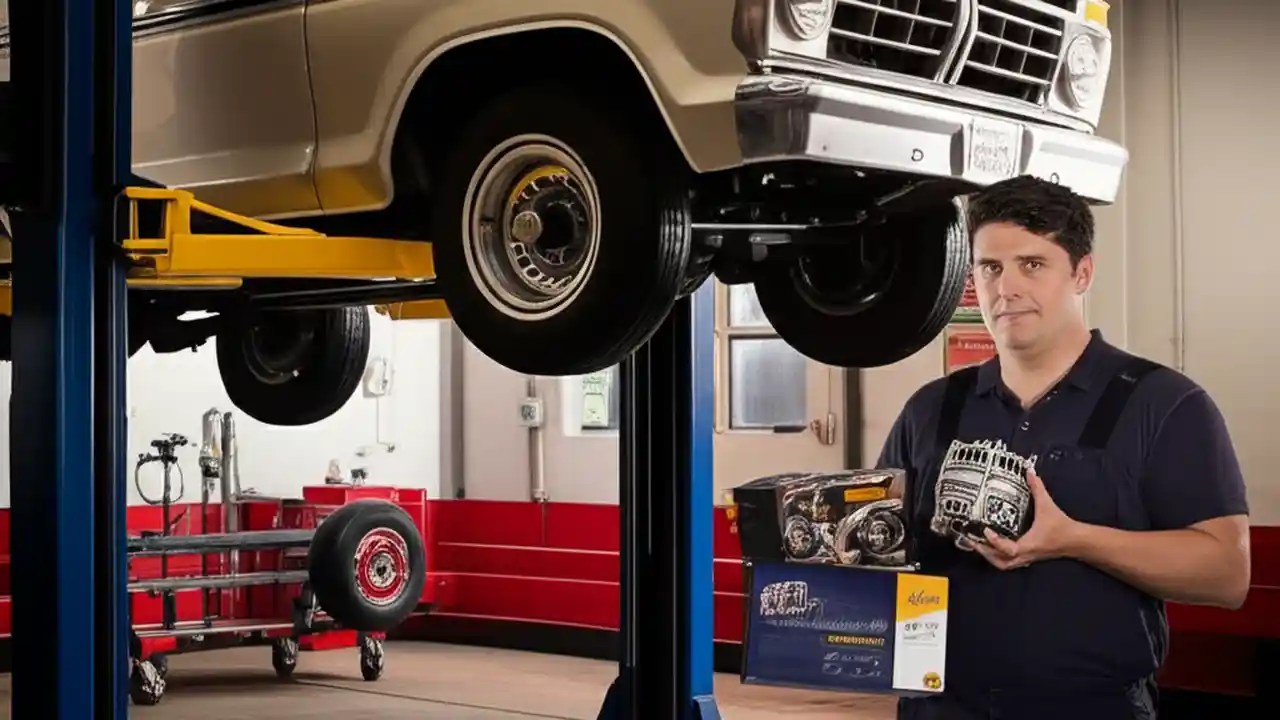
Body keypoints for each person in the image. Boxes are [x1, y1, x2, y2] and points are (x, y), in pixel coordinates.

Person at [878, 175, 1251, 720]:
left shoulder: (1164, 404)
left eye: (1032, 265)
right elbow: (877, 545)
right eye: (990, 267)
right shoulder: (932, 408)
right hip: (940, 707)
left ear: (1082, 272)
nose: (1006, 288)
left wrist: (1073, 539)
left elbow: (1226, 573)